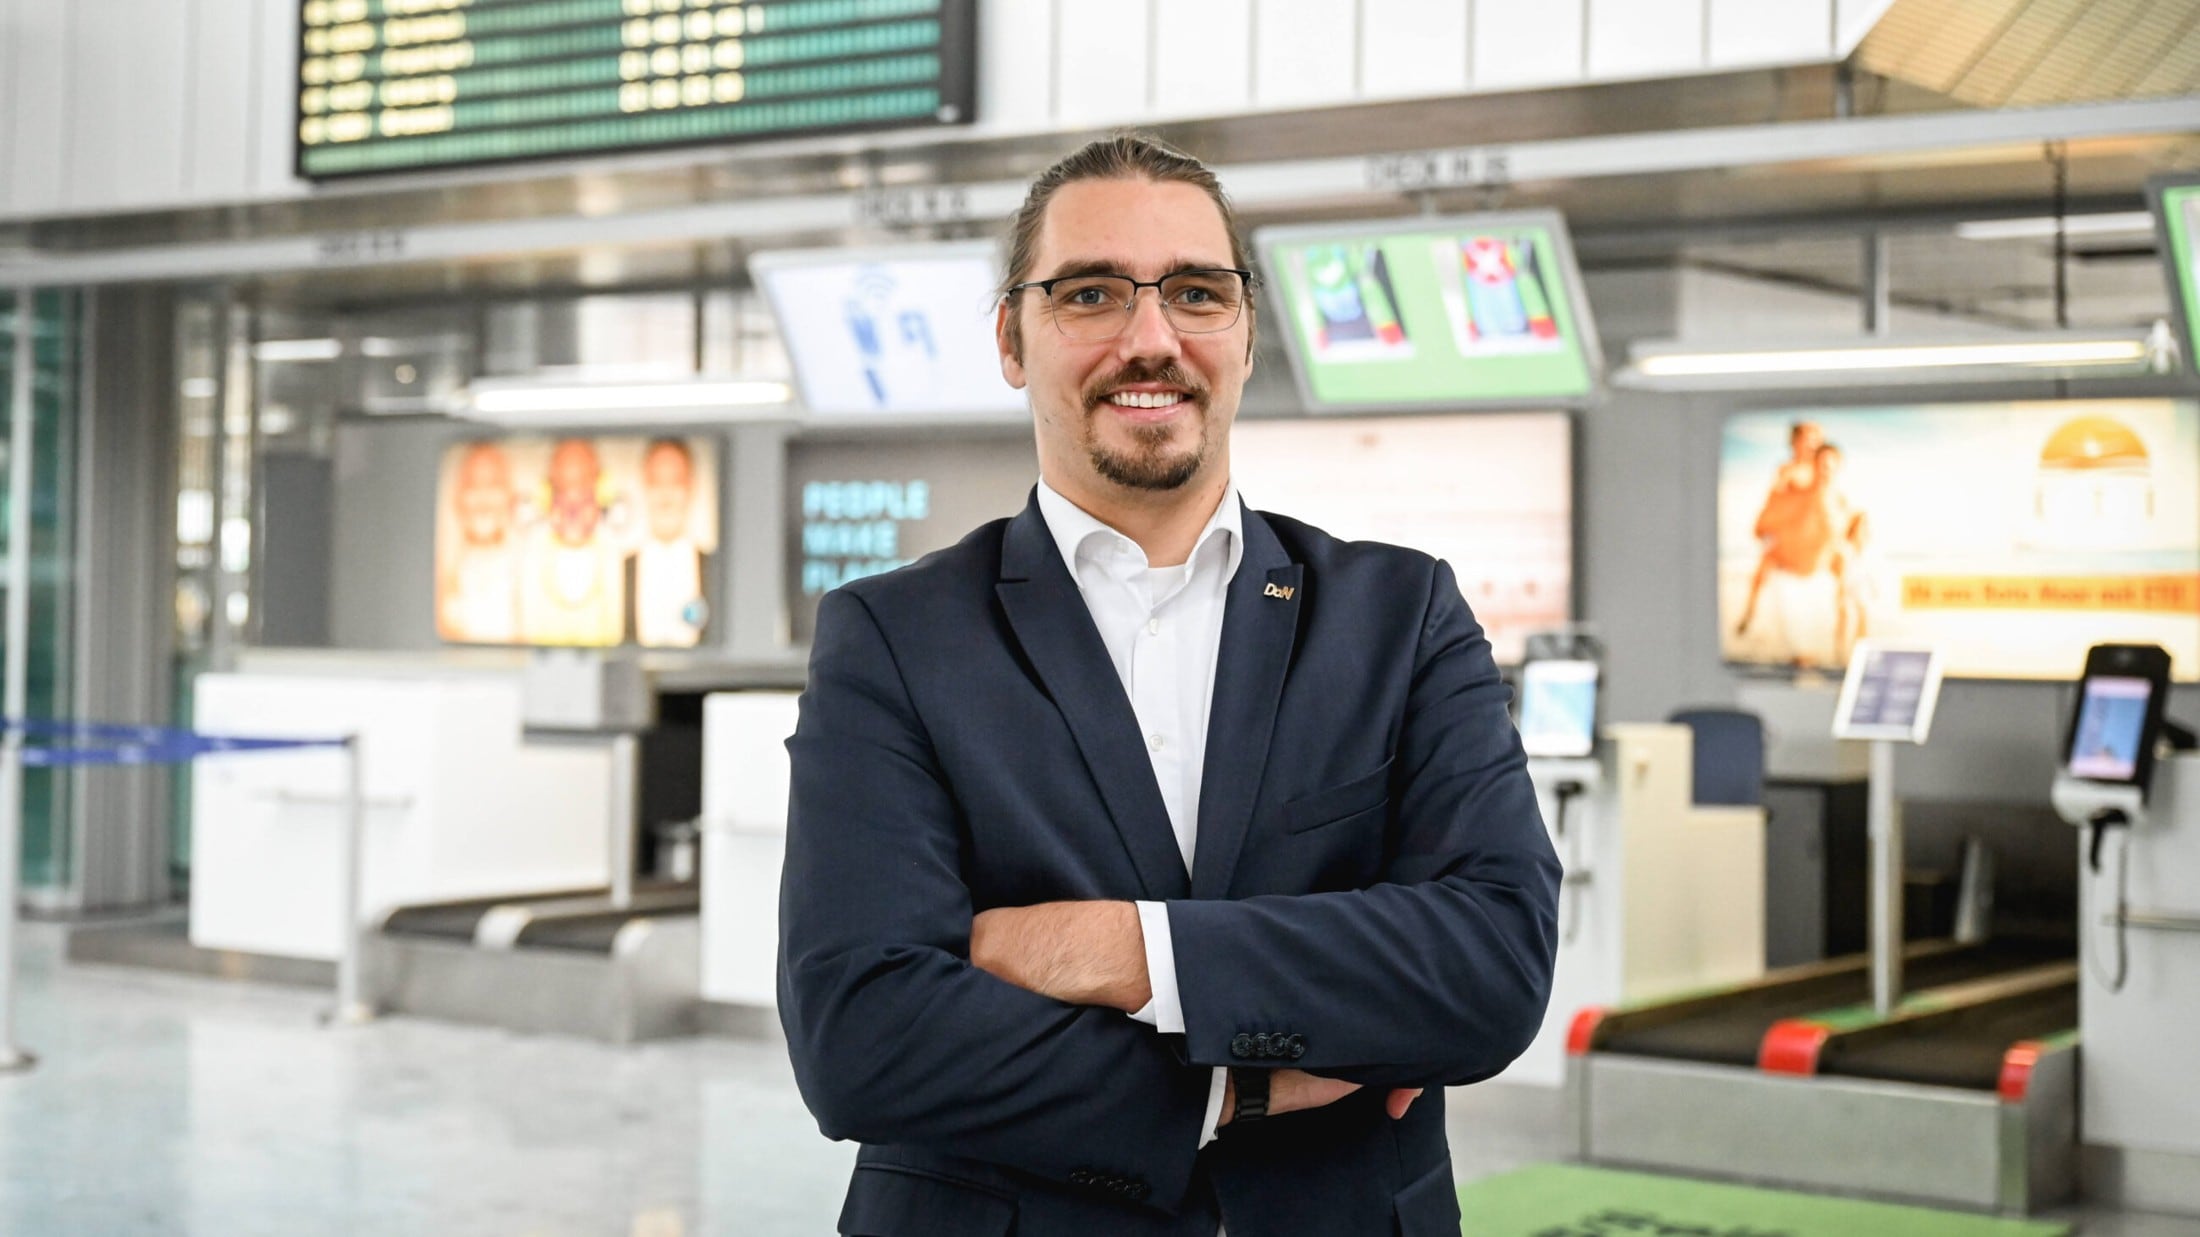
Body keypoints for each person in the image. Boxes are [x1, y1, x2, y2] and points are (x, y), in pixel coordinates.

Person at [777, 135, 1560, 1237]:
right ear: (1012, 337)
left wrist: (1124, 950)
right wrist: (1236, 1081)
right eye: (1090, 293)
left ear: (1244, 332)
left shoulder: (1398, 617)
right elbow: (863, 1035)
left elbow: (1491, 966)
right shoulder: (895, 638)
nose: (1151, 341)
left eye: (1196, 292)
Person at [519, 438, 625, 646]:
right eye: (563, 486)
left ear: (601, 490)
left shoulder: (615, 554)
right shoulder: (532, 555)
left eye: (582, 484)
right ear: (547, 493)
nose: (572, 499)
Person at [623, 437, 712, 648]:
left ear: (691, 487)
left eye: (676, 481)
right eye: (656, 481)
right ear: (644, 486)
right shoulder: (621, 569)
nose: (665, 494)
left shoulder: (715, 568)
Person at [436, 441, 520, 643]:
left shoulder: (523, 562)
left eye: (494, 484)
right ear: (458, 498)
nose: (483, 497)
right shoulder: (444, 568)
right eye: (473, 484)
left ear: (511, 497)